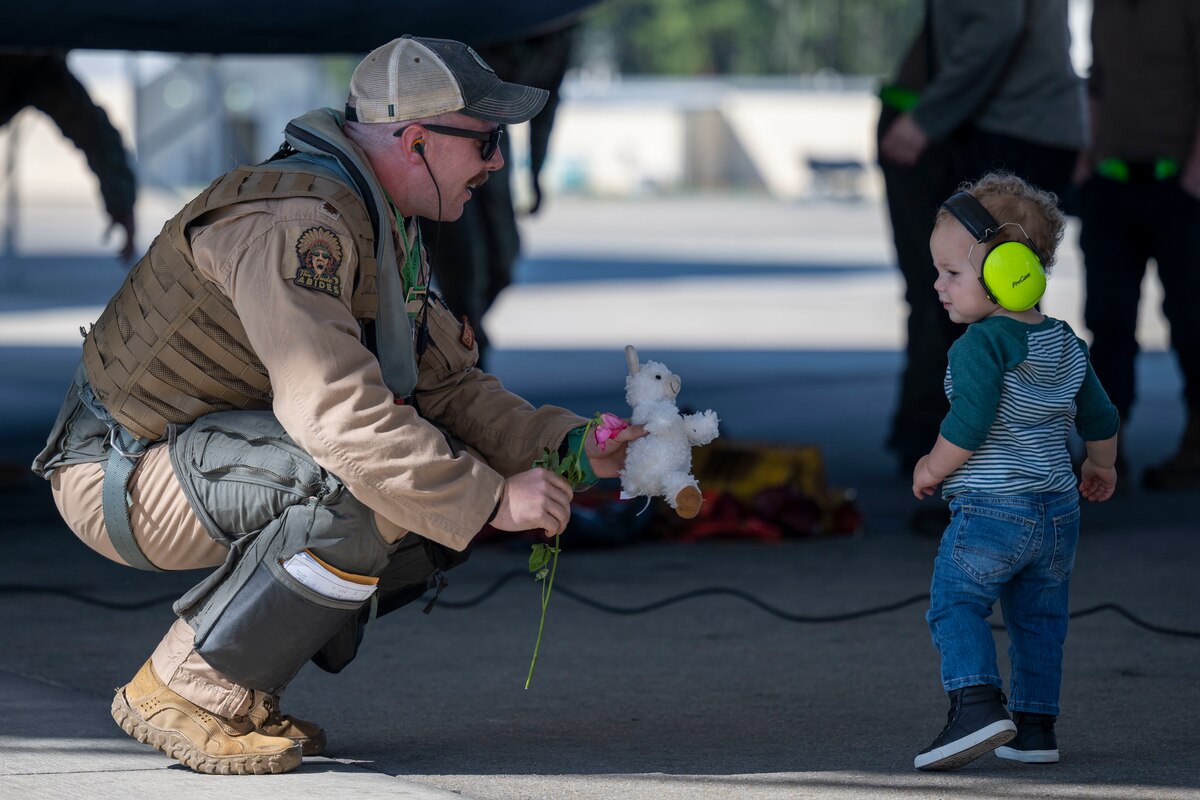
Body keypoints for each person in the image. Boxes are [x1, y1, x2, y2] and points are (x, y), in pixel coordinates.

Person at [30, 35, 641, 777]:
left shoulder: (378, 219)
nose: (497, 163)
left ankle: (237, 690)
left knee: (422, 477)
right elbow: (337, 415)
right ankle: (184, 690)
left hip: (193, 456)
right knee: (360, 480)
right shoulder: (298, 224)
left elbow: (447, 388)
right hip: (118, 474)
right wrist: (488, 499)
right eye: (484, 141)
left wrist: (572, 448)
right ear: (417, 141)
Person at [910, 173, 1119, 771]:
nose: (938, 285)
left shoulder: (980, 345)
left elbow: (969, 426)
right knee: (1040, 621)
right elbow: (1100, 416)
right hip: (1057, 514)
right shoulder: (1064, 342)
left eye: (952, 273)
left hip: (992, 511)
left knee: (955, 604)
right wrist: (1100, 467)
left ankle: (976, 705)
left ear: (1007, 271)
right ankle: (1034, 729)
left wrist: (930, 466)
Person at [877, 1, 1086, 483]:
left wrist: (925, 118)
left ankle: (985, 469)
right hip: (1022, 125)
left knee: (973, 300)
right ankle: (1020, 456)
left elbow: (996, 26)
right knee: (999, 300)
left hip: (1006, 129)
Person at [1075, 1, 1200, 492]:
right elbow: (1098, 80)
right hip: (1112, 184)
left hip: (1179, 184)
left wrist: (1194, 176)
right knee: (1108, 322)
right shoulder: (1103, 6)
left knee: (1192, 319)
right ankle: (1107, 452)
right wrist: (1088, 159)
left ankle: (1197, 446)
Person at [419, 23, 575, 370]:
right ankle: (461, 350)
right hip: (449, 146)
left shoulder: (561, 31)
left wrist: (535, 173)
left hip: (492, 145)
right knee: (466, 264)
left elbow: (546, 105)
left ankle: (458, 334)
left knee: (505, 260)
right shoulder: (488, 16)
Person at [0, 50, 137, 260]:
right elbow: (95, 133)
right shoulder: (37, 66)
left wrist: (121, 203)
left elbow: (94, 132)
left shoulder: (38, 69)